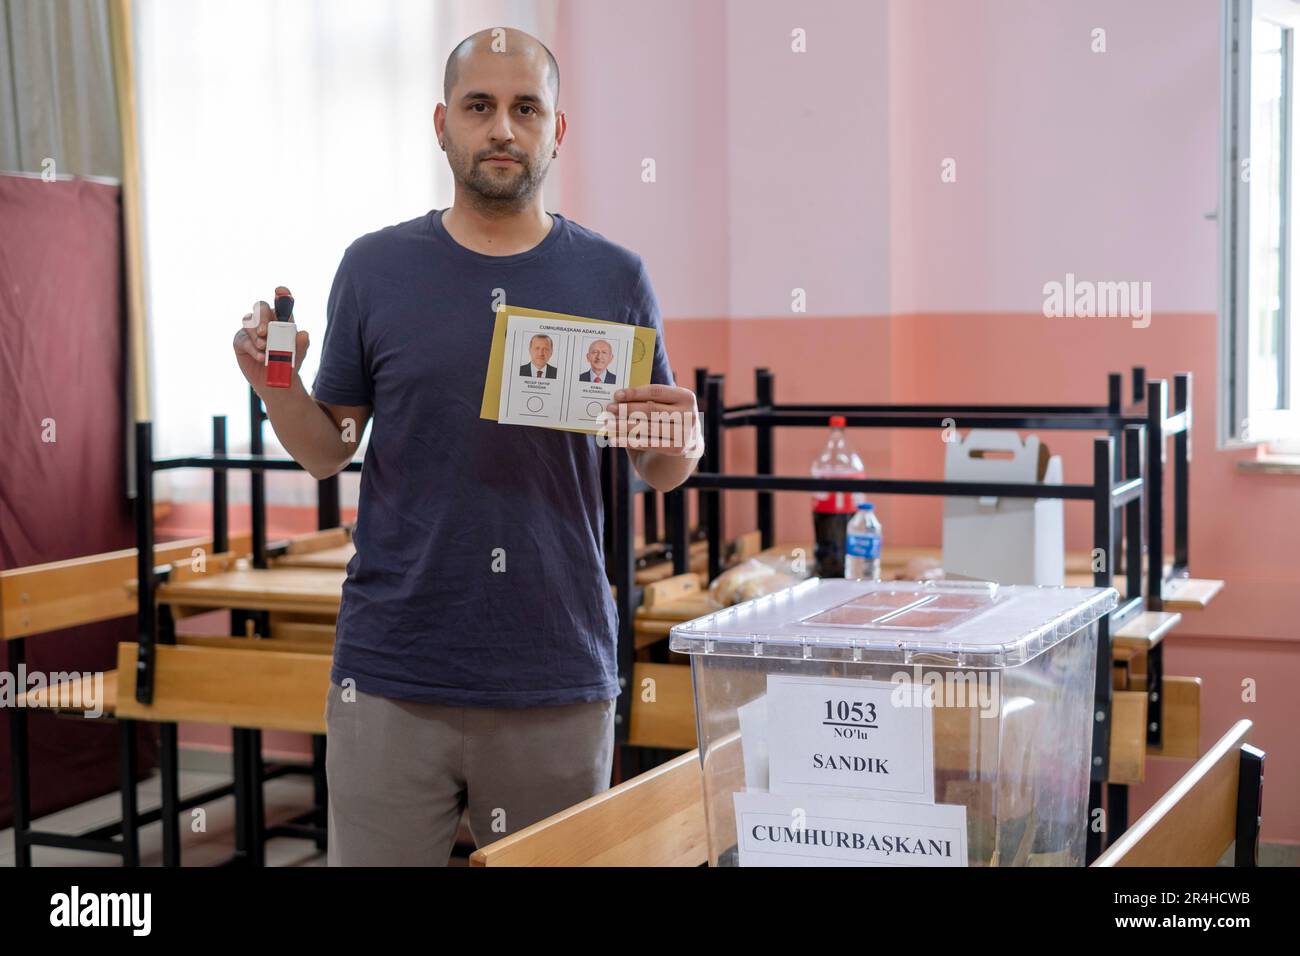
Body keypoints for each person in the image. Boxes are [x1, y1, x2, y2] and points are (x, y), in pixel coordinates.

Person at [232, 26, 701, 866]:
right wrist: (275, 383)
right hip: (389, 668)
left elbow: (658, 465)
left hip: (555, 668)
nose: (503, 130)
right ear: (443, 123)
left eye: (526, 109)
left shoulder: (614, 276)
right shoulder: (374, 268)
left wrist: (684, 434)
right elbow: (328, 451)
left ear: (556, 131)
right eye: (481, 107)